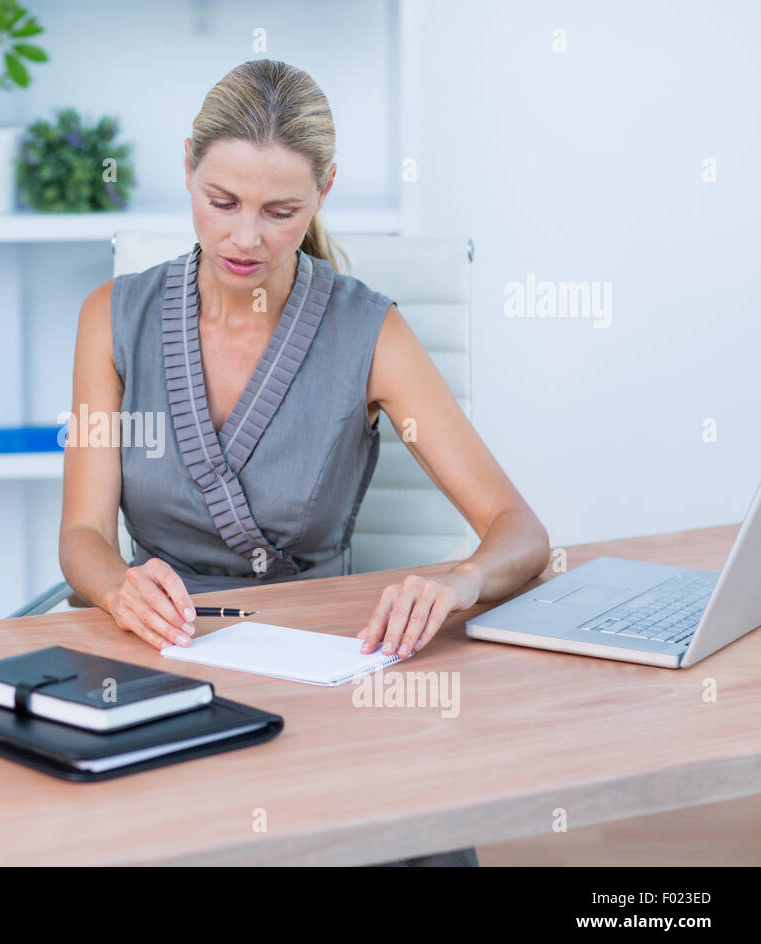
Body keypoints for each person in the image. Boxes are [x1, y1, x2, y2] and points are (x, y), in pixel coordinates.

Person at [58, 60, 550, 866]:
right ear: (187, 168)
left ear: (323, 192)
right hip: (163, 653)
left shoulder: (370, 334)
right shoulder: (112, 317)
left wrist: (458, 581)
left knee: (408, 834)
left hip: (324, 659)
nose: (244, 238)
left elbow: (518, 530)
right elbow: (81, 535)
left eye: (280, 211)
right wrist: (118, 586)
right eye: (221, 203)